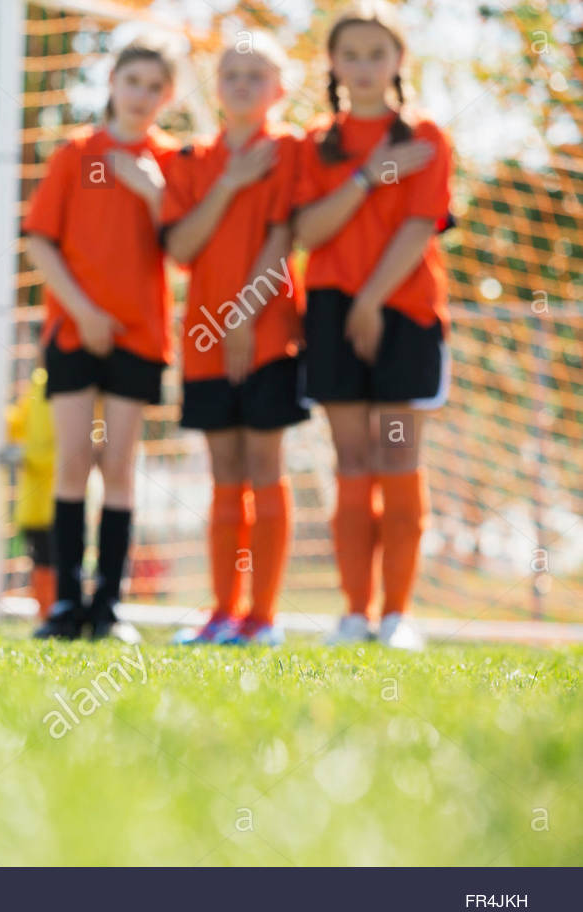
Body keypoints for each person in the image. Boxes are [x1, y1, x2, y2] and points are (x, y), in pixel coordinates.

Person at [292, 1, 453, 650]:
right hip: (331, 312)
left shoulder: (427, 138)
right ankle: (354, 613)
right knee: (352, 459)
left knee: (398, 454)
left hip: (405, 310)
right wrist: (368, 174)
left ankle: (396, 617)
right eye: (350, 54)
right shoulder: (313, 143)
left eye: (375, 54)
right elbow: (307, 231)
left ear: (397, 61)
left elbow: (420, 228)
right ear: (333, 64)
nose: (362, 66)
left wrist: (371, 303)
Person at [21, 37, 178, 641]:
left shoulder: (170, 162)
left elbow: (184, 245)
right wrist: (82, 310)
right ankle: (63, 604)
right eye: (134, 81)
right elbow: (40, 240)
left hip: (140, 334)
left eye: (156, 87)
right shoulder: (75, 153)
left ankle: (108, 607)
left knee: (118, 465)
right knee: (72, 461)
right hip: (74, 331)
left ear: (167, 97)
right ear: (113, 82)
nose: (143, 95)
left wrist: (152, 191)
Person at [161, 34, 309, 647]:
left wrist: (245, 316)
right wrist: (229, 182)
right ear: (215, 86)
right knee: (224, 473)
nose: (242, 83)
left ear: (280, 88)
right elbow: (179, 248)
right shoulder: (193, 158)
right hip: (204, 340)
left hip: (270, 334)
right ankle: (223, 612)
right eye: (231, 73)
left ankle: (263, 619)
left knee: (265, 466)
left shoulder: (292, 149)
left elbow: (287, 232)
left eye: (256, 74)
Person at [4, 368, 57, 622]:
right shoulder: (37, 383)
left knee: (57, 559)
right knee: (39, 559)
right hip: (34, 502)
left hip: (59, 500)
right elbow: (17, 425)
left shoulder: (71, 385)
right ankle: (46, 614)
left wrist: (29, 457)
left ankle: (58, 611)